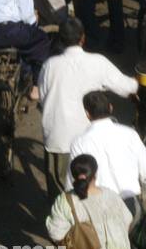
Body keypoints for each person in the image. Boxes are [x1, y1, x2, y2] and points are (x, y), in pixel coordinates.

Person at [38, 18, 137, 202]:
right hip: (87, 141)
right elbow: (126, 86)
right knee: (93, 191)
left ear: (60, 40)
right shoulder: (98, 62)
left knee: (60, 198)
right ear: (83, 38)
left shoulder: (49, 66)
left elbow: (43, 99)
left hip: (58, 140)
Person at [66, 91, 146, 218]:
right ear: (111, 107)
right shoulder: (130, 135)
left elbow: (72, 181)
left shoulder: (79, 142)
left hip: (96, 207)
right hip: (129, 207)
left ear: (87, 114)